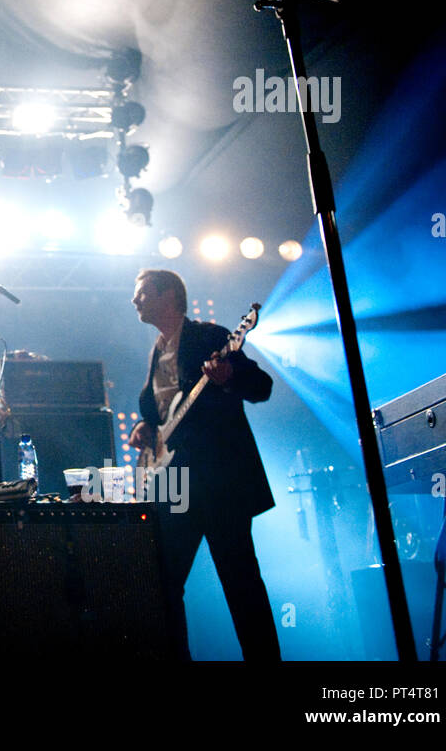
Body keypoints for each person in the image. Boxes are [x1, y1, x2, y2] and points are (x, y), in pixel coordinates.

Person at [128, 269, 281, 660]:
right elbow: (154, 409)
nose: (135, 300)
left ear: (169, 296)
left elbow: (261, 386)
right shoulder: (156, 351)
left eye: (143, 293)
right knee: (162, 583)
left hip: (218, 483)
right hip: (172, 484)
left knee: (240, 580)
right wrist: (146, 427)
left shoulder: (210, 337)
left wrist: (229, 375)